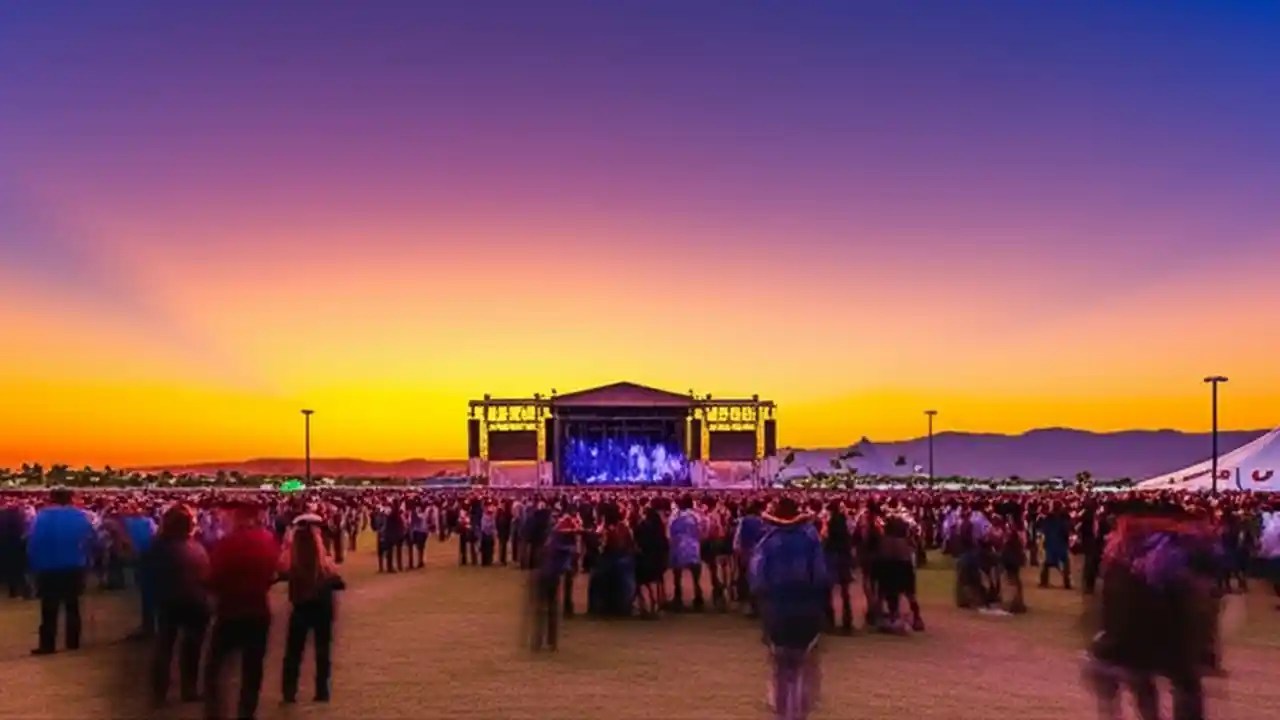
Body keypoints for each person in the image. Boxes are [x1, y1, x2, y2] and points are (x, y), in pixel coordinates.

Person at [750, 497, 829, 720]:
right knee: (803, 669)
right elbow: (820, 577)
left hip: (777, 612)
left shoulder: (767, 541)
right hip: (806, 612)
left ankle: (783, 715)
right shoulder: (811, 538)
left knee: (781, 670)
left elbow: (758, 581)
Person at [204, 501, 280, 720]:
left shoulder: (228, 543)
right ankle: (247, 713)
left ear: (238, 517)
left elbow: (213, 576)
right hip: (258, 611)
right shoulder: (267, 540)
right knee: (252, 669)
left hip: (231, 611)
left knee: (214, 669)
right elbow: (274, 571)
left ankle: (215, 713)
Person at [145, 504, 210, 705]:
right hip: (193, 602)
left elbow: (148, 575)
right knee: (190, 648)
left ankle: (160, 692)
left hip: (169, 601)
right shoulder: (194, 547)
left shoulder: (158, 547)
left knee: (165, 646)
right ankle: (187, 689)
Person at [280, 514, 346, 704]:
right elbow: (338, 581)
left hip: (301, 606)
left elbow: (281, 569)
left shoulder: (293, 558)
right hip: (322, 607)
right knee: (322, 650)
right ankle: (322, 690)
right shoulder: (322, 560)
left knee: (293, 651)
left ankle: (289, 691)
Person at [27, 488, 94, 655]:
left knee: (49, 608)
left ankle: (47, 645)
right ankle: (73, 642)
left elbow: (33, 542)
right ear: (70, 498)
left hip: (48, 567)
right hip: (74, 565)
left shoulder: (42, 517)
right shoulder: (80, 516)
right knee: (72, 605)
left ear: (52, 499)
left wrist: (34, 565)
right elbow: (91, 539)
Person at [668, 494, 704, 611]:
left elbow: (670, 531)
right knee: (696, 577)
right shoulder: (697, 516)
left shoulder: (675, 516)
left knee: (677, 575)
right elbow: (703, 529)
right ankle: (698, 599)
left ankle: (678, 599)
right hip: (694, 546)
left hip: (679, 546)